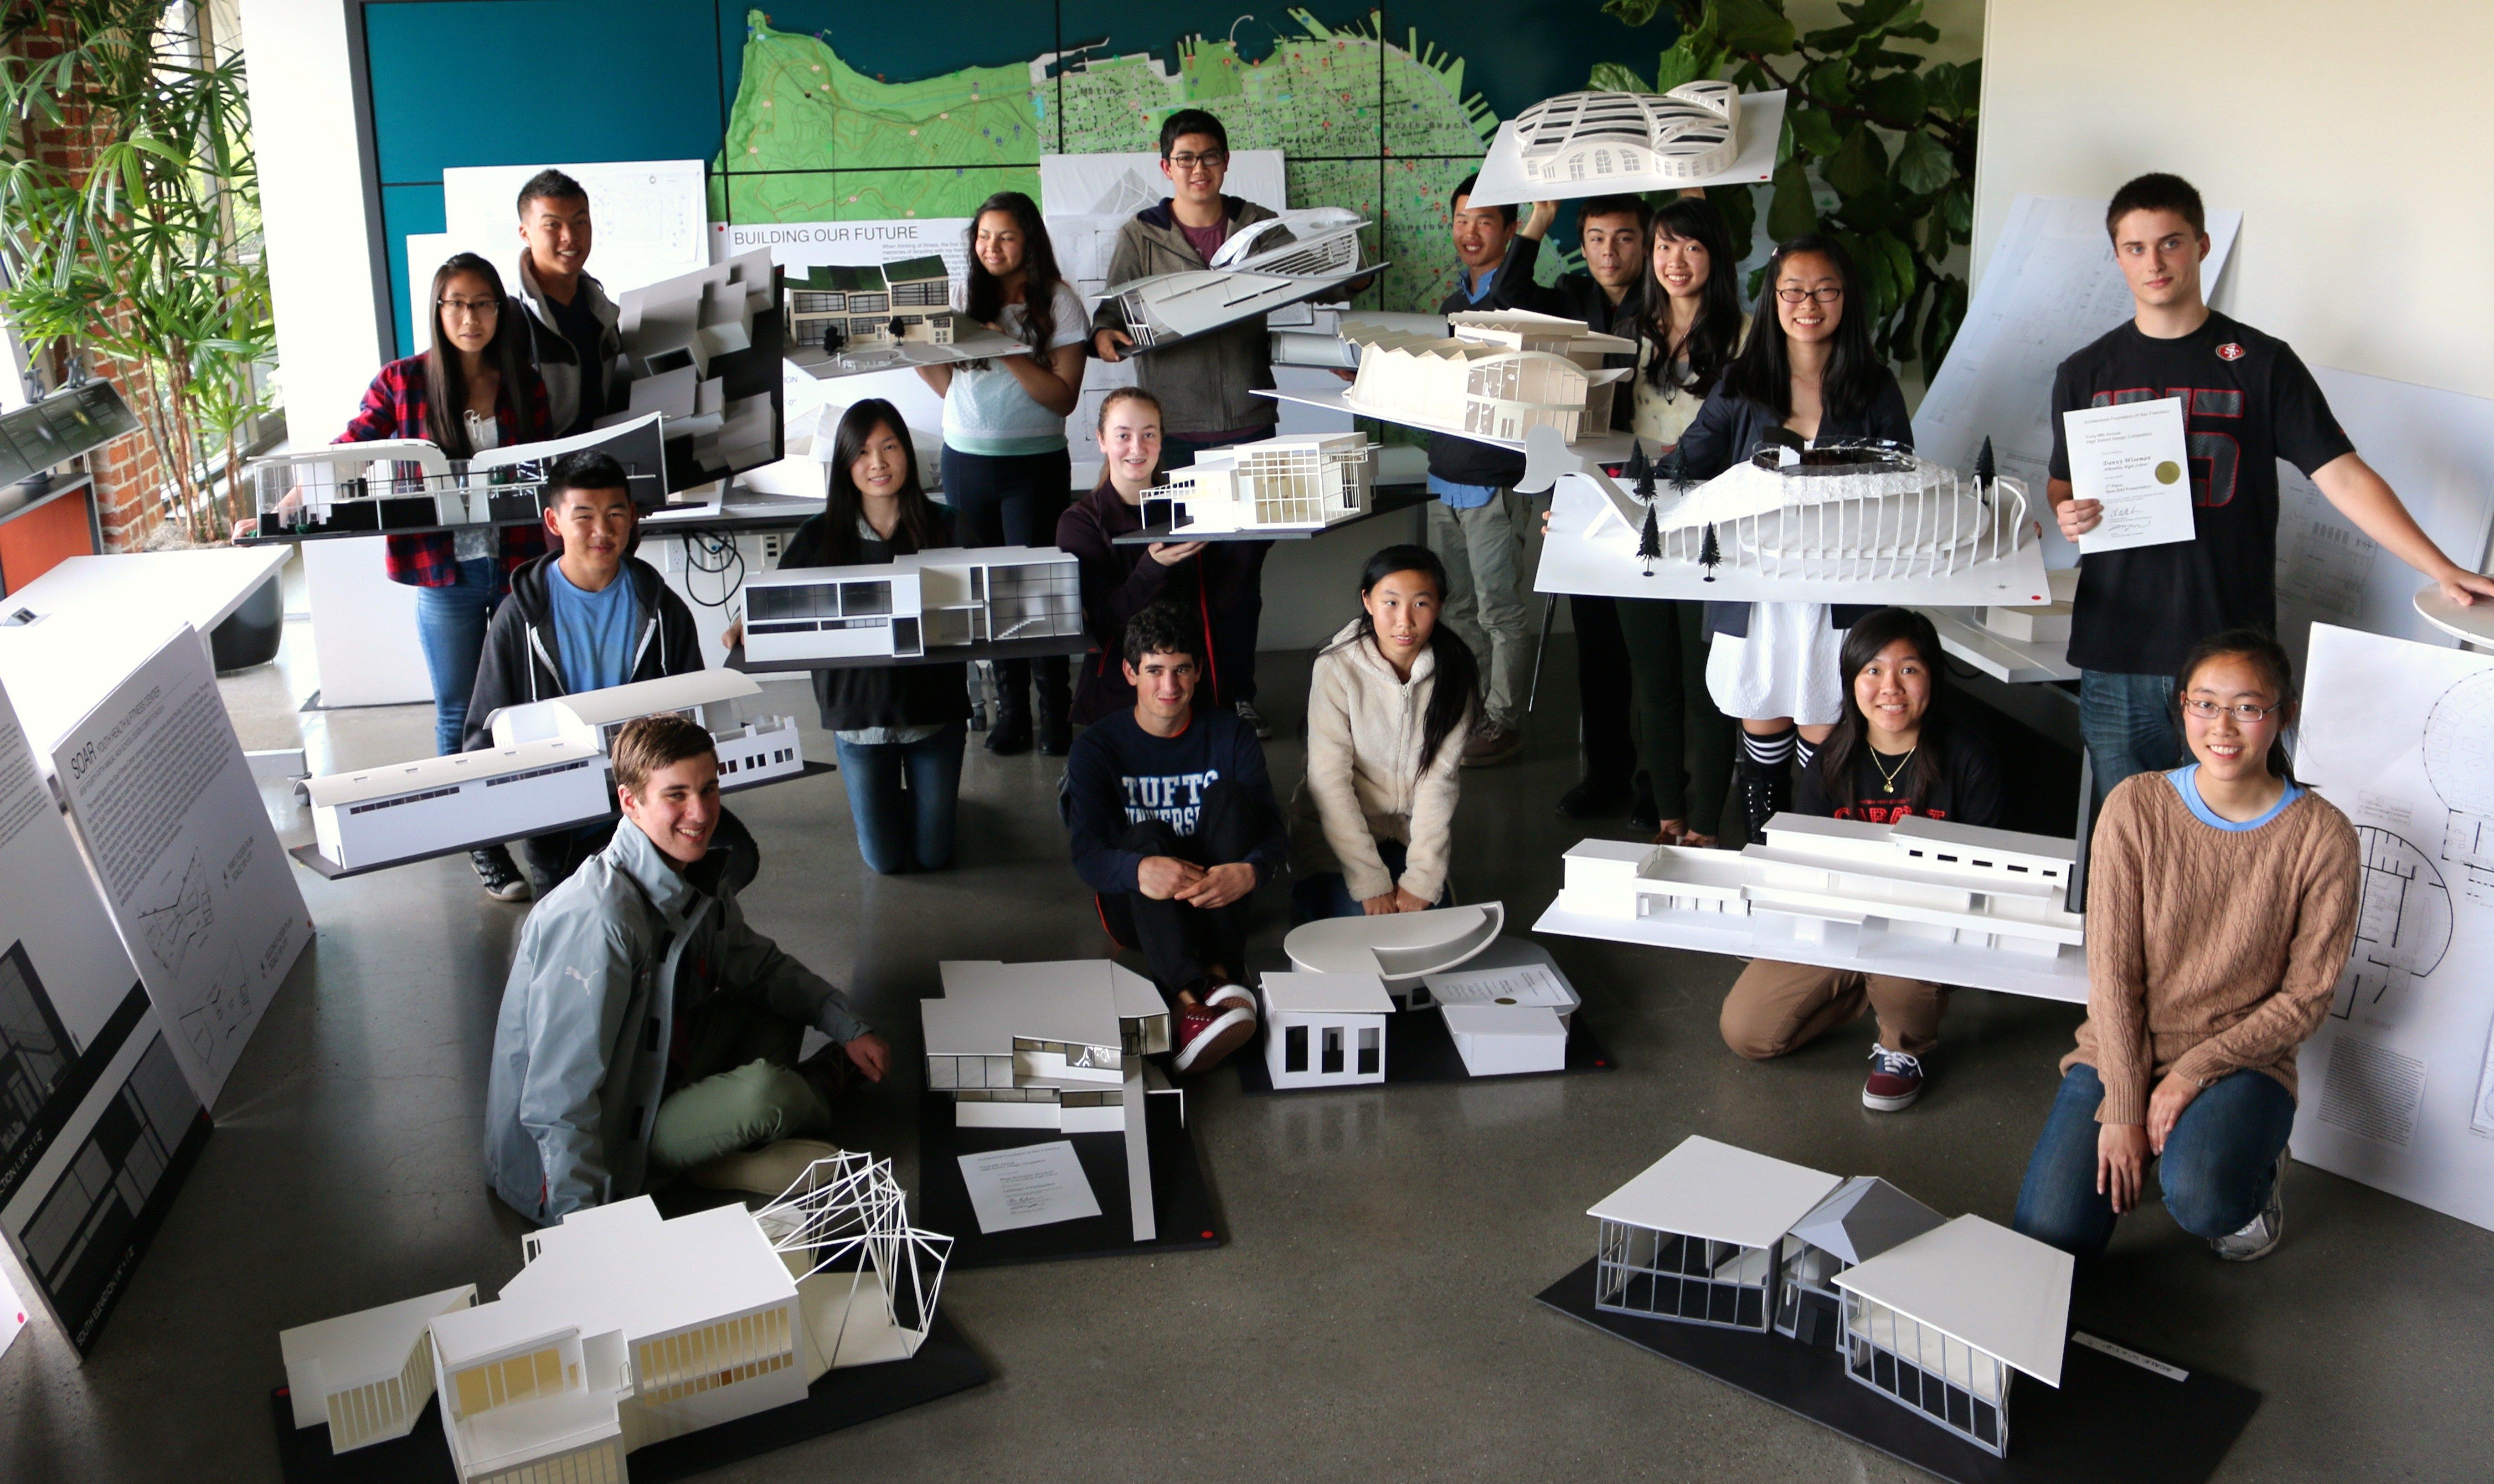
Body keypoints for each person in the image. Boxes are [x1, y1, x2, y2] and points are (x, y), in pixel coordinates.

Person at [2048, 173, 2494, 805]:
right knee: (2129, 833)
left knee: (2231, 833)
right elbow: (2062, 482)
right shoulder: (2084, 371)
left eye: (2171, 242)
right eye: (2136, 248)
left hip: (2228, 651)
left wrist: (2441, 567)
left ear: (2202, 246)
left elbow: (2343, 474)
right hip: (2116, 647)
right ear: (2118, 256)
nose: (2155, 263)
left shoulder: (2262, 363)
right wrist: (2064, 511)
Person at [2012, 629, 2358, 1262]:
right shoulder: (2136, 805)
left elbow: (2305, 998)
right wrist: (2124, 1106)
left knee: (2203, 1199)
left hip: (2243, 1062)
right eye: (2205, 704)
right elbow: (2113, 975)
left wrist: (2193, 1074)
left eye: (2248, 707)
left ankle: (2255, 1174)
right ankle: (2169, 1136)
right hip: (2122, 1047)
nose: (2222, 726)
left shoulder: (2323, 836)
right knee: (2049, 1242)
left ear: (2284, 714)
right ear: (2182, 707)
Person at [483, 713, 890, 1223]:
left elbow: (760, 968)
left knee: (775, 1005)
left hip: (654, 1069)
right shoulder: (598, 922)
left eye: (709, 789)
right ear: (630, 802)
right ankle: (806, 1095)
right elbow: (558, 1099)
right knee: (770, 1093)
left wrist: (846, 1024)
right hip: (608, 1139)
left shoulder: (690, 872)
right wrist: (586, 1230)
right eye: (676, 795)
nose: (700, 812)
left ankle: (708, 1155)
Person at [309, 252, 552, 903]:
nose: (471, 317)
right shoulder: (403, 381)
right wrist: (295, 497)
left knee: (525, 703)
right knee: (458, 710)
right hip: (445, 574)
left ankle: (540, 831)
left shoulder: (523, 382)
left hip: (518, 567)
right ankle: (481, 841)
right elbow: (353, 447)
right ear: (439, 310)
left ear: (501, 311)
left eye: (484, 304)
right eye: (457, 304)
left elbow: (545, 469)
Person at [1674, 234, 1913, 840]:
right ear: (1773, 299)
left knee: (1827, 731)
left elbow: (1907, 486)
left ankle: (1810, 854)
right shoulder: (1741, 382)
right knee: (1762, 726)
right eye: (1793, 291)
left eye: (1825, 290)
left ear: (1846, 299)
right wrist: (1586, 506)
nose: (1809, 304)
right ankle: (1762, 849)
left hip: (1839, 598)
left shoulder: (1875, 386)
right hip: (1759, 596)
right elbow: (1683, 466)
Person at [1718, 609, 2002, 1111]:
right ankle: (1872, 986)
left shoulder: (1968, 757)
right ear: (1851, 681)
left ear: (1932, 677)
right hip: (1842, 920)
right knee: (1747, 1032)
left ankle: (1905, 1046)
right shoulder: (1832, 760)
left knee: (1901, 976)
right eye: (1873, 670)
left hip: (1924, 925)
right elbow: (1804, 864)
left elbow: (1987, 880)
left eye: (1909, 669)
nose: (1891, 687)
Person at [1090, 109, 1282, 739]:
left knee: (1242, 579)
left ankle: (1239, 696)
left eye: (1210, 156)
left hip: (1249, 427)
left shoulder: (1257, 225)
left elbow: (1313, 285)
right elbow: (1110, 312)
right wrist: (1104, 337)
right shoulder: (1142, 234)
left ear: (1226, 162)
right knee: (1179, 576)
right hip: (1172, 437)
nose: (1199, 169)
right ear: (1165, 165)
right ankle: (1182, 700)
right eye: (1186, 158)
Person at [465, 450, 709, 892]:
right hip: (558, 830)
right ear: (554, 521)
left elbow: (697, 718)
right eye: (584, 516)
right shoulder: (518, 617)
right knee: (569, 931)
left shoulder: (663, 609)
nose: (602, 530)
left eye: (615, 514)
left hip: (649, 821)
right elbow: (483, 732)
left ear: (632, 516)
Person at [1064, 603, 1287, 1075]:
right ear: (1130, 673)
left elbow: (1271, 827)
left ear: (1199, 671)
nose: (1170, 686)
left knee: (1231, 797)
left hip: (1216, 899)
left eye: (1182, 669)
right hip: (1139, 908)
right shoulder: (1095, 748)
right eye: (1155, 671)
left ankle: (1221, 979)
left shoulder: (1231, 734)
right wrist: (1138, 869)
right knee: (1147, 835)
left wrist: (1252, 872)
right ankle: (1187, 1005)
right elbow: (1086, 854)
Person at [918, 191, 1088, 757]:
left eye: (1006, 237)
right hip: (965, 461)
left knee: (1038, 592)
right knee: (988, 595)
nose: (991, 248)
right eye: (983, 236)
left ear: (1029, 242)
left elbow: (1063, 398)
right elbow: (950, 382)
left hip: (1034, 465)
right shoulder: (961, 297)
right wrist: (915, 352)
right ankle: (1012, 712)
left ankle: (1055, 711)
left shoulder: (1060, 303)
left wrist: (1007, 349)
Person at [776, 400, 968, 875]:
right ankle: (906, 805)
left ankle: (926, 807)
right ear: (845, 463)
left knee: (934, 856)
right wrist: (745, 621)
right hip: (859, 718)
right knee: (884, 862)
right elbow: (775, 601)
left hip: (933, 714)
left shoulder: (948, 525)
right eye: (862, 452)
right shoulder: (818, 536)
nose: (878, 463)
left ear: (908, 452)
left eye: (889, 447)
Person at [1616, 196, 1745, 845]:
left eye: (1693, 246)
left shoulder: (1746, 336)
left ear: (1715, 256)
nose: (1676, 260)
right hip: (1638, 513)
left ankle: (1708, 823)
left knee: (1707, 683)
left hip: (1712, 522)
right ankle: (1669, 814)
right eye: (1665, 245)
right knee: (1654, 680)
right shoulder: (1628, 332)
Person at [1422, 175, 1560, 768]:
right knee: (1455, 609)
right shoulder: (1450, 306)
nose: (1470, 232)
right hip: (1444, 479)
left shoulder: (1527, 301)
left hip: (1496, 486)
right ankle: (1469, 710)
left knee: (1498, 612)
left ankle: (1503, 722)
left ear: (1509, 231)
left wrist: (1541, 221)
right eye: (1461, 220)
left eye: (1484, 221)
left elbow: (1509, 310)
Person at [1532, 195, 1647, 822]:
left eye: (1625, 237)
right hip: (1586, 484)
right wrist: (1539, 220)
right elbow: (1508, 298)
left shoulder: (1665, 298)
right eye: (1598, 238)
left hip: (1656, 482)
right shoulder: (1571, 296)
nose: (1610, 251)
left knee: (1655, 652)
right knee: (1599, 649)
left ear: (1645, 242)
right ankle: (1607, 776)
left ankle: (1659, 783)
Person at [1289, 546, 1480, 922]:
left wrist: (1423, 878)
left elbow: (1439, 783)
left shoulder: (1454, 673)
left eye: (1421, 604)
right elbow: (1328, 781)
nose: (1404, 621)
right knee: (1362, 932)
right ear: (1368, 601)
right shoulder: (1336, 668)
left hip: (1406, 838)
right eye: (1390, 603)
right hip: (1335, 842)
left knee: (1430, 932)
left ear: (1440, 606)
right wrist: (1369, 881)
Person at [1056, 387, 1262, 725]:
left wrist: (1254, 535)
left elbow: (1216, 605)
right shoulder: (1081, 522)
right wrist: (1152, 568)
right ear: (1102, 440)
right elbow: (1103, 620)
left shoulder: (1189, 506)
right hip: (1121, 694)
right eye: (1123, 436)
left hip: (1195, 688)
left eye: (1149, 435)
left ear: (1162, 439)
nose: (1137, 448)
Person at [507, 170, 628, 439]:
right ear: (525, 234)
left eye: (580, 222)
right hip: (544, 462)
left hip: (601, 457)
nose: (569, 236)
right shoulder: (508, 317)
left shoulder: (602, 311)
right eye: (553, 225)